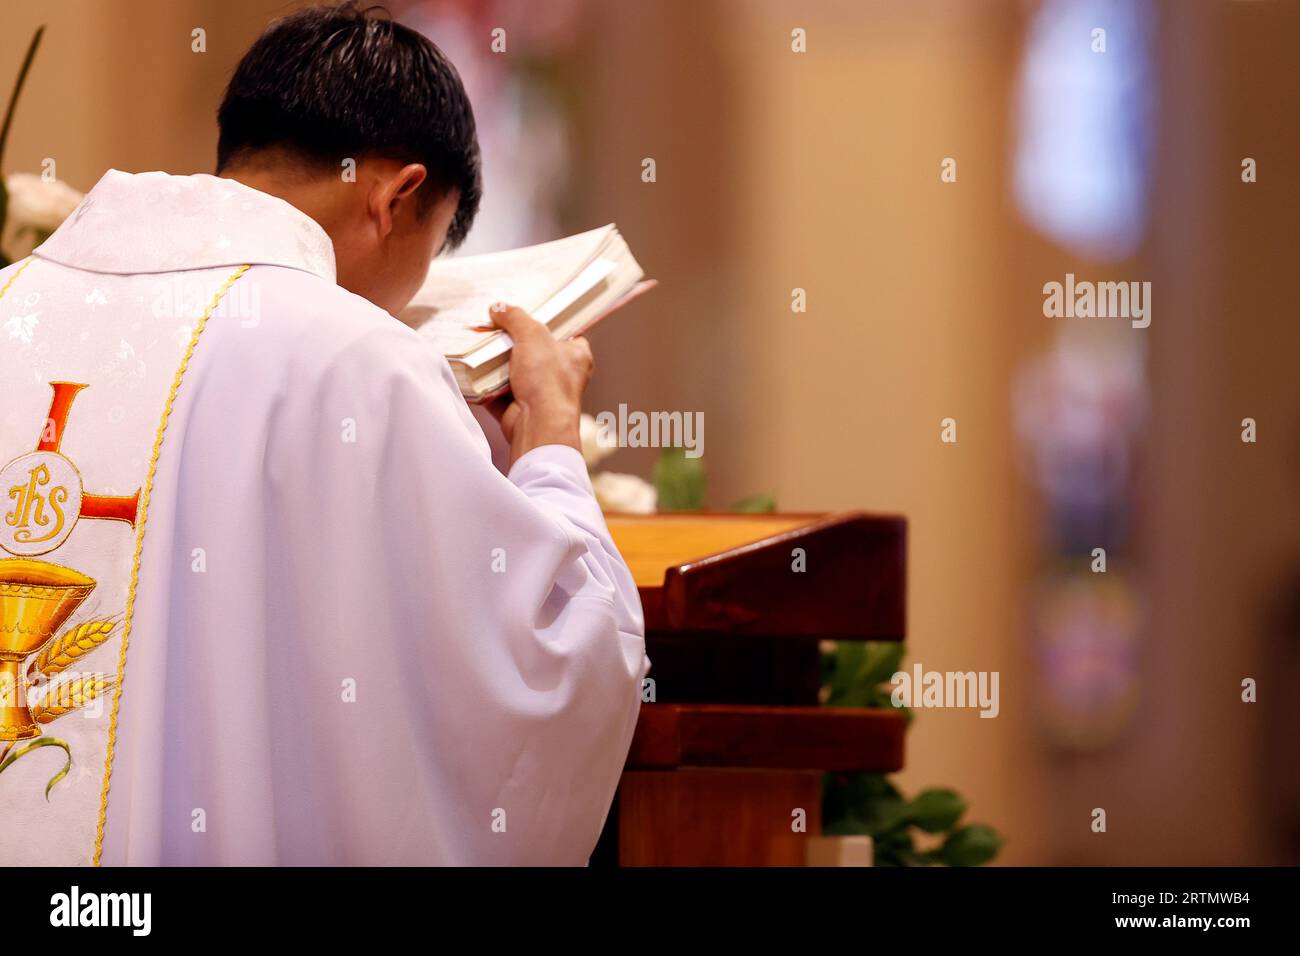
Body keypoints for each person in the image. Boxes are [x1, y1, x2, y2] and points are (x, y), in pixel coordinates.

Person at [0, 1, 647, 866]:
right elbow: (549, 663)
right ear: (397, 196)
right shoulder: (359, 360)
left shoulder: (13, 304)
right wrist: (550, 440)